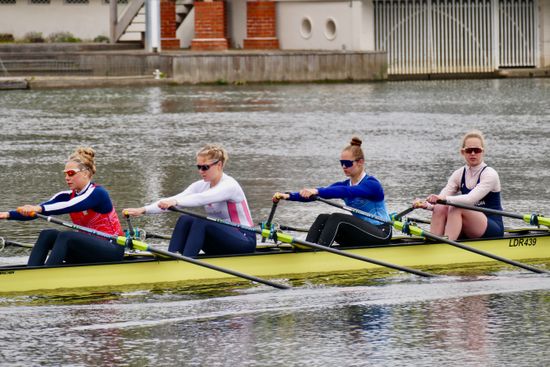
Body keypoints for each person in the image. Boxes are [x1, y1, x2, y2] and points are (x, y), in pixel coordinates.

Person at [123, 144, 257, 258]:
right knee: (185, 219)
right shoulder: (201, 185)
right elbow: (173, 199)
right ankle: (173, 255)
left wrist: (176, 202)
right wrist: (143, 210)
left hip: (244, 240)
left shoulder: (229, 185)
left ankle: (185, 262)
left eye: (205, 167)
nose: (201, 171)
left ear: (219, 165)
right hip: (221, 241)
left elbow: (201, 199)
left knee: (201, 221)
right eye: (198, 167)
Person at [0, 147, 125, 266]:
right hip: (89, 249)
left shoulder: (98, 193)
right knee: (47, 234)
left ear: (86, 173)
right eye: (65, 174)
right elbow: (40, 211)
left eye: (71, 173)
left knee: (66, 236)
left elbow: (71, 205)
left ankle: (47, 275)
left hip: (112, 249)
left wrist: (37, 208)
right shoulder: (64, 196)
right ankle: (31, 272)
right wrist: (7, 215)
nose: (67, 178)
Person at [274, 136, 392, 247]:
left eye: (347, 163)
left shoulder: (372, 184)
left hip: (381, 232)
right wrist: (288, 195)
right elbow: (324, 192)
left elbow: (346, 191)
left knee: (337, 217)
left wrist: (315, 191)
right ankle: (308, 248)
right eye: (342, 164)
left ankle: (319, 252)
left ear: (360, 162)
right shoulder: (344, 185)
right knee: (323, 218)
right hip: (361, 231)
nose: (344, 167)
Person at [413, 130, 504, 240]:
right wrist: (426, 205)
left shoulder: (490, 174)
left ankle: (447, 246)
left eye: (477, 150)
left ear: (482, 152)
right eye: (469, 150)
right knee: (441, 207)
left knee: (456, 207)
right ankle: (433, 242)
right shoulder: (459, 174)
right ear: (463, 152)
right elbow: (441, 200)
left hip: (491, 227)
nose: (473, 153)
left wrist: (442, 199)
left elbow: (470, 199)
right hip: (468, 225)